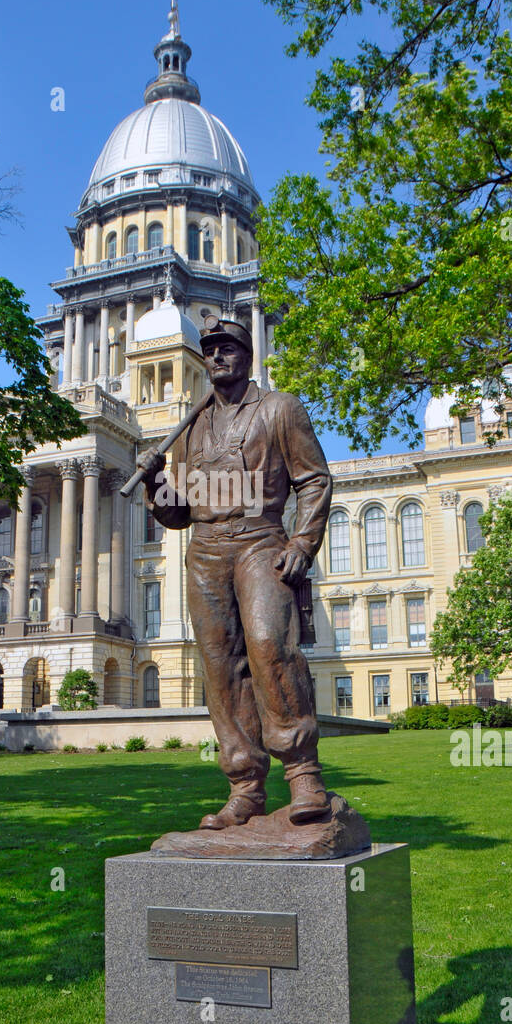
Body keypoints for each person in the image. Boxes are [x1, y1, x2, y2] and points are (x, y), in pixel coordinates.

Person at [137, 315, 332, 829]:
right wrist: (156, 482)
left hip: (259, 541)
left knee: (270, 646)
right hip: (205, 550)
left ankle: (304, 773)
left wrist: (303, 543)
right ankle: (245, 787)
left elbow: (314, 480)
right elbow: (180, 513)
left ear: (246, 356)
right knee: (220, 669)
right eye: (210, 350)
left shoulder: (278, 409)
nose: (218, 356)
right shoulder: (194, 425)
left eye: (228, 347)